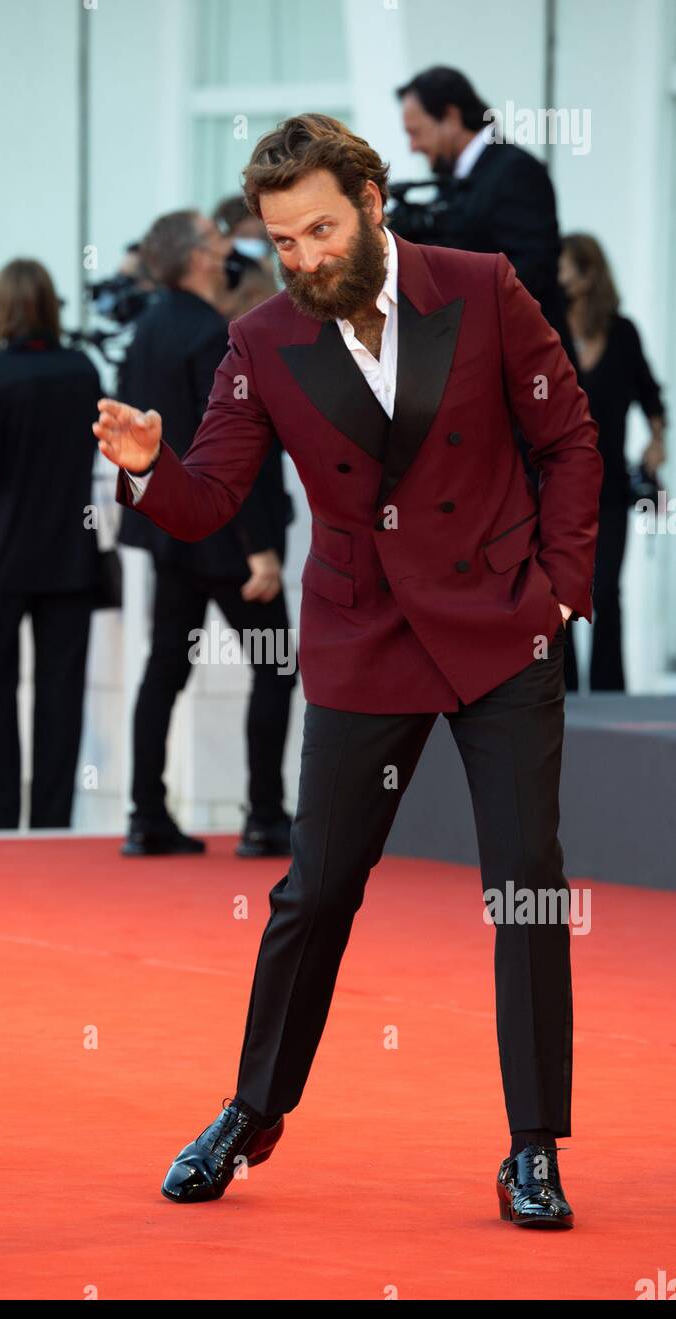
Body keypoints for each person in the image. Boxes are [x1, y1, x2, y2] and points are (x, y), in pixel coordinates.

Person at [95, 114, 602, 1227]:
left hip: (498, 627)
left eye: (321, 230)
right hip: (364, 634)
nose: (305, 258)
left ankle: (533, 1147)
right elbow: (210, 498)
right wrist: (148, 468)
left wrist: (561, 592)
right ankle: (250, 1111)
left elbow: (568, 439)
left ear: (372, 204)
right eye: (284, 242)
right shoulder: (262, 341)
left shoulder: (481, 286)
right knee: (314, 889)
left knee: (524, 883)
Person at [117, 209, 296, 856]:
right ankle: (265, 816)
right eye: (218, 240)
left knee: (165, 669)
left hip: (172, 536)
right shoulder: (213, 337)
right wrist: (260, 548)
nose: (228, 249)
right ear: (197, 257)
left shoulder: (146, 332)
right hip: (226, 538)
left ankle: (145, 813)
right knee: (275, 667)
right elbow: (230, 452)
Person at [0, 258, 112, 830]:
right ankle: (51, 823)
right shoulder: (82, 371)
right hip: (69, 559)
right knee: (61, 697)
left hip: (2, 558)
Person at [395, 67, 575, 365]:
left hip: (529, 367)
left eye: (415, 132)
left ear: (450, 117)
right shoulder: (454, 182)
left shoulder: (516, 171)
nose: (413, 147)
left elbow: (533, 269)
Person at [558, 232, 667, 690]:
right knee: (559, 593)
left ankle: (608, 696)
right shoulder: (549, 329)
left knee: (605, 590)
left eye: (564, 265)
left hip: (610, 485)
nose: (557, 275)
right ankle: (560, 692)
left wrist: (657, 442)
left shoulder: (622, 334)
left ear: (588, 273)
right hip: (556, 485)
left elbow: (651, 397)